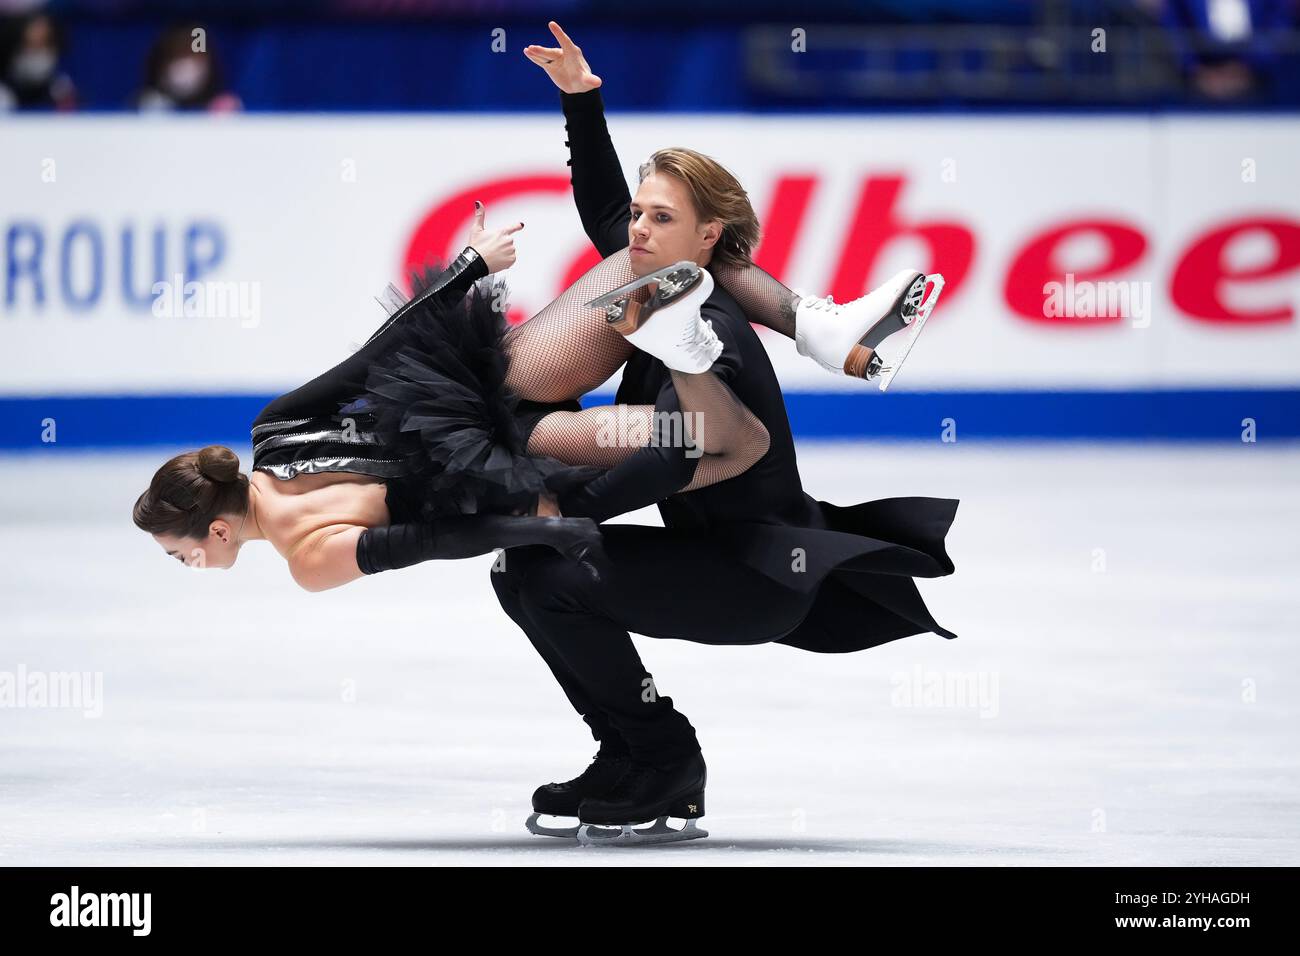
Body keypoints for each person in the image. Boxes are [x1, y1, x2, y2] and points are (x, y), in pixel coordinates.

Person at [492, 22, 958, 846]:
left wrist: (570, 508)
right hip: (724, 554)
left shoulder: (708, 330)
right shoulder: (665, 291)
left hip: (754, 577)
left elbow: (676, 460)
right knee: (522, 570)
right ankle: (625, 752)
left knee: (551, 570)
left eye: (660, 218)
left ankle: (664, 759)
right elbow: (612, 220)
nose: (637, 230)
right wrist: (583, 103)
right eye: (639, 214)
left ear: (709, 239)